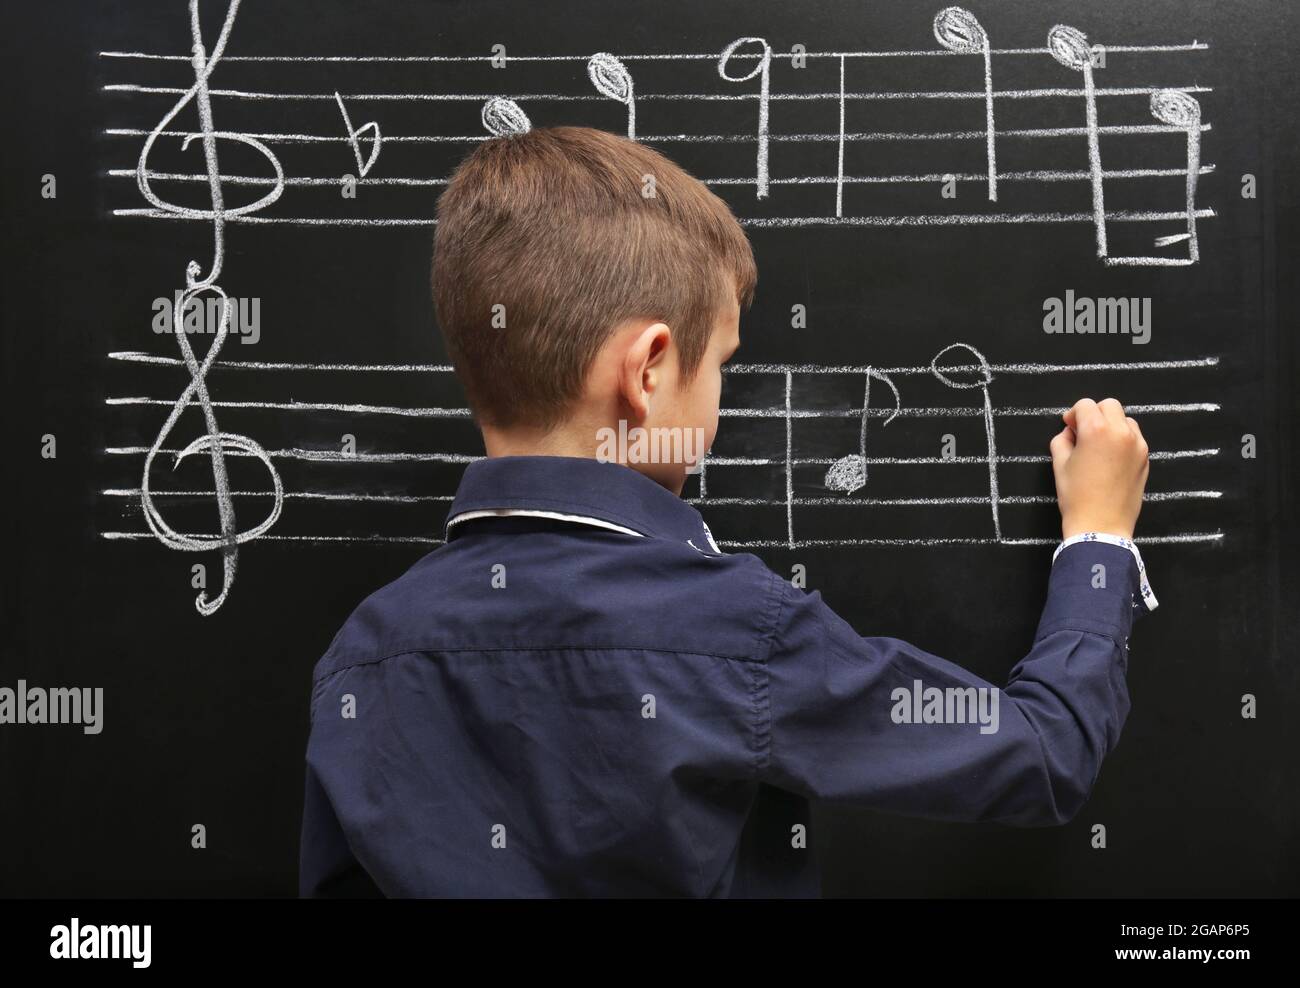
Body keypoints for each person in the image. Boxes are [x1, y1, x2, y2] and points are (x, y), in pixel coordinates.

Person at [299, 126, 1155, 897]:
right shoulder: (738, 635)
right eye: (721, 369)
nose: (722, 406)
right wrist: (1098, 538)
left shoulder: (362, 654)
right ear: (648, 371)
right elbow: (1045, 752)